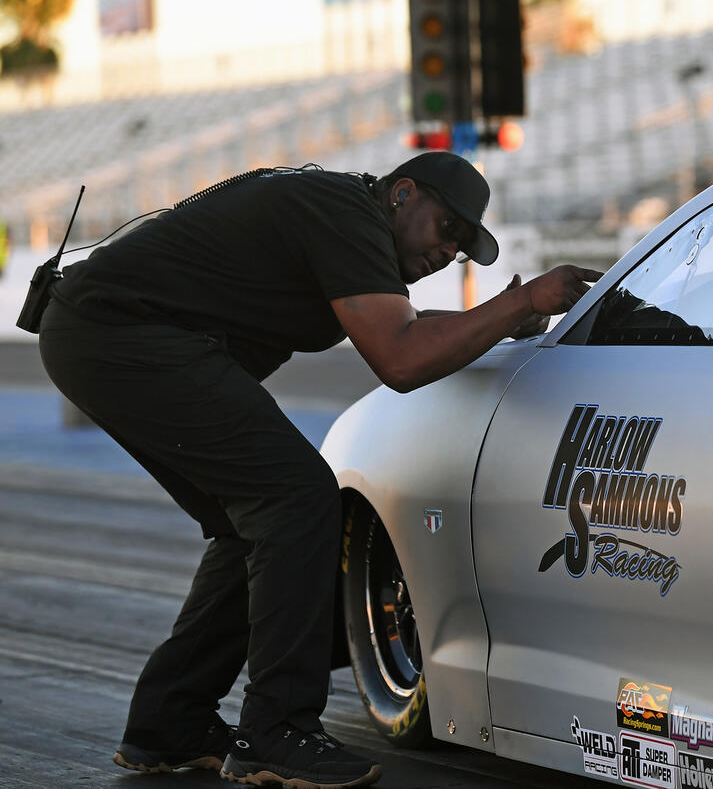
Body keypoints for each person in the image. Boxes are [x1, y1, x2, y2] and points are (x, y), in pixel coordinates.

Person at [37, 151, 602, 789]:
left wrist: (505, 317)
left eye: (462, 246)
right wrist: (524, 299)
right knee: (299, 497)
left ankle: (171, 721)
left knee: (254, 519)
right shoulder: (344, 215)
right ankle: (277, 729)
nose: (450, 253)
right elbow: (401, 358)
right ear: (402, 194)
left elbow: (402, 324)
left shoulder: (344, 219)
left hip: (100, 333)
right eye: (448, 229)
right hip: (120, 334)